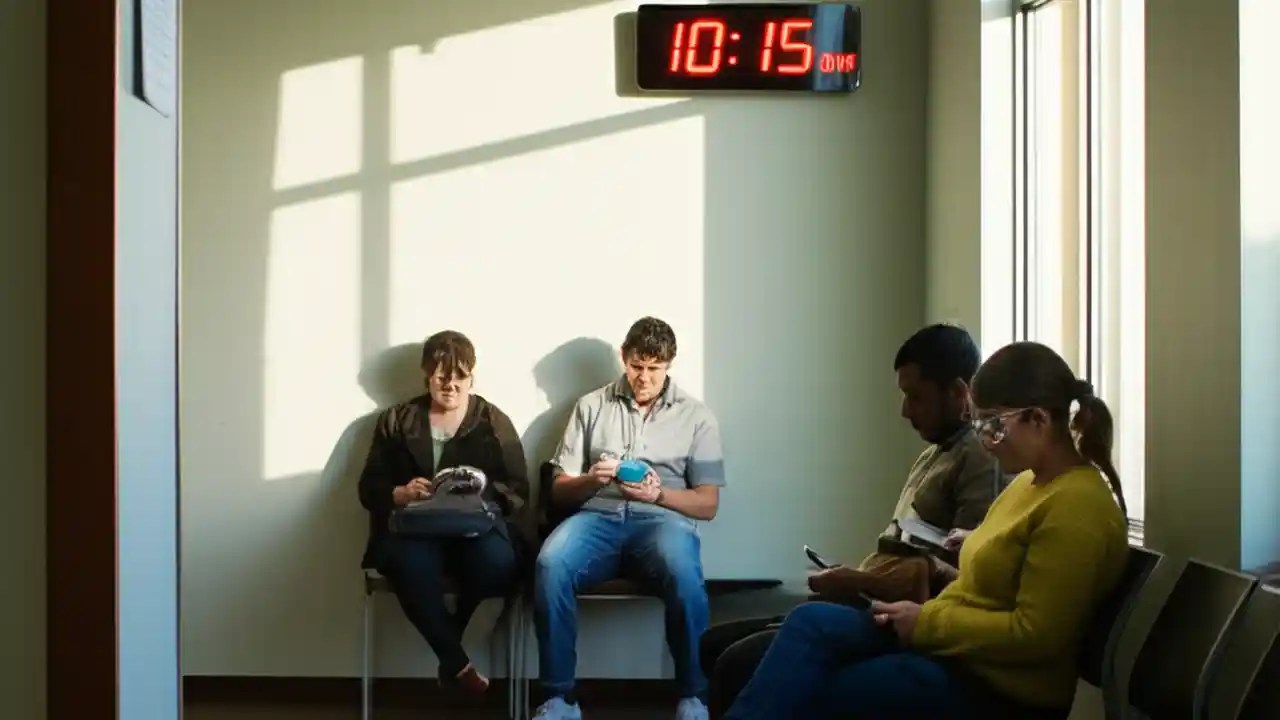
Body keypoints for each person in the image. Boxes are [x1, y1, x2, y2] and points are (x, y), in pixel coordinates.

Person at [723, 341, 1130, 719]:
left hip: (998, 690)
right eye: (981, 425)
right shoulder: (1029, 483)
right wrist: (924, 608)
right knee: (811, 623)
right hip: (957, 648)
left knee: (820, 692)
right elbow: (989, 586)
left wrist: (925, 623)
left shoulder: (1077, 508)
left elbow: (1034, 635)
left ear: (1038, 418)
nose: (986, 441)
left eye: (993, 425)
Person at [700, 323, 1005, 716]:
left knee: (736, 662)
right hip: (870, 600)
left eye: (916, 397)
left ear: (959, 393)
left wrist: (859, 581)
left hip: (901, 618)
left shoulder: (980, 462)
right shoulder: (933, 454)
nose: (905, 410)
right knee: (713, 644)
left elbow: (955, 577)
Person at [532, 317, 726, 720]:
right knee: (551, 564)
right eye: (637, 366)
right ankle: (559, 700)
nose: (643, 377)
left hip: (661, 521)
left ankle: (694, 697)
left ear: (669, 365)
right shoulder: (591, 405)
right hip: (596, 518)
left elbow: (708, 504)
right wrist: (588, 479)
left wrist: (659, 494)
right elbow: (557, 488)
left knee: (684, 571)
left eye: (654, 369)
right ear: (624, 356)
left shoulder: (697, 416)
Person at [357, 331, 529, 695]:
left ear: (472, 377)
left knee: (498, 562)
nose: (449, 384)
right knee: (409, 566)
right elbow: (368, 488)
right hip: (415, 530)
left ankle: (450, 646)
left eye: (459, 377)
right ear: (426, 375)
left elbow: (518, 489)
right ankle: (457, 661)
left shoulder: (492, 421)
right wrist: (400, 493)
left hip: (474, 528)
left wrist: (478, 494)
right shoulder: (397, 420)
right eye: (440, 376)